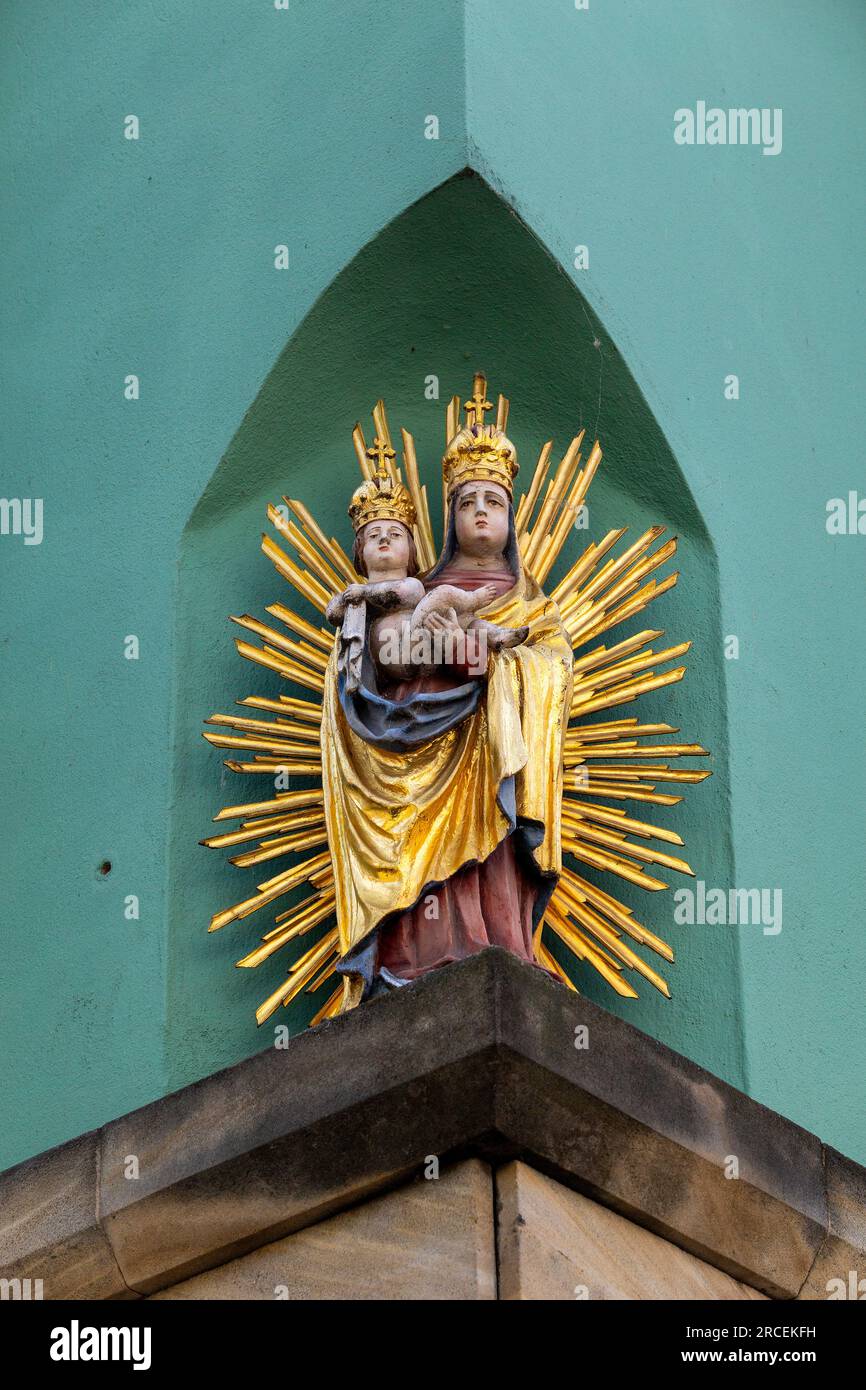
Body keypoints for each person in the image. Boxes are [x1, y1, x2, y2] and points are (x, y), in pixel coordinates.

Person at [320, 419, 573, 1010]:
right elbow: (376, 658)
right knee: (418, 851)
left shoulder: (534, 603)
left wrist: (498, 668)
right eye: (467, 502)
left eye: (493, 501)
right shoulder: (418, 587)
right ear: (449, 515)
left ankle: (500, 942)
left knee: (493, 849)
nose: (481, 512)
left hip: (491, 751)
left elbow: (554, 671)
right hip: (419, 750)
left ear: (512, 516)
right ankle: (414, 954)